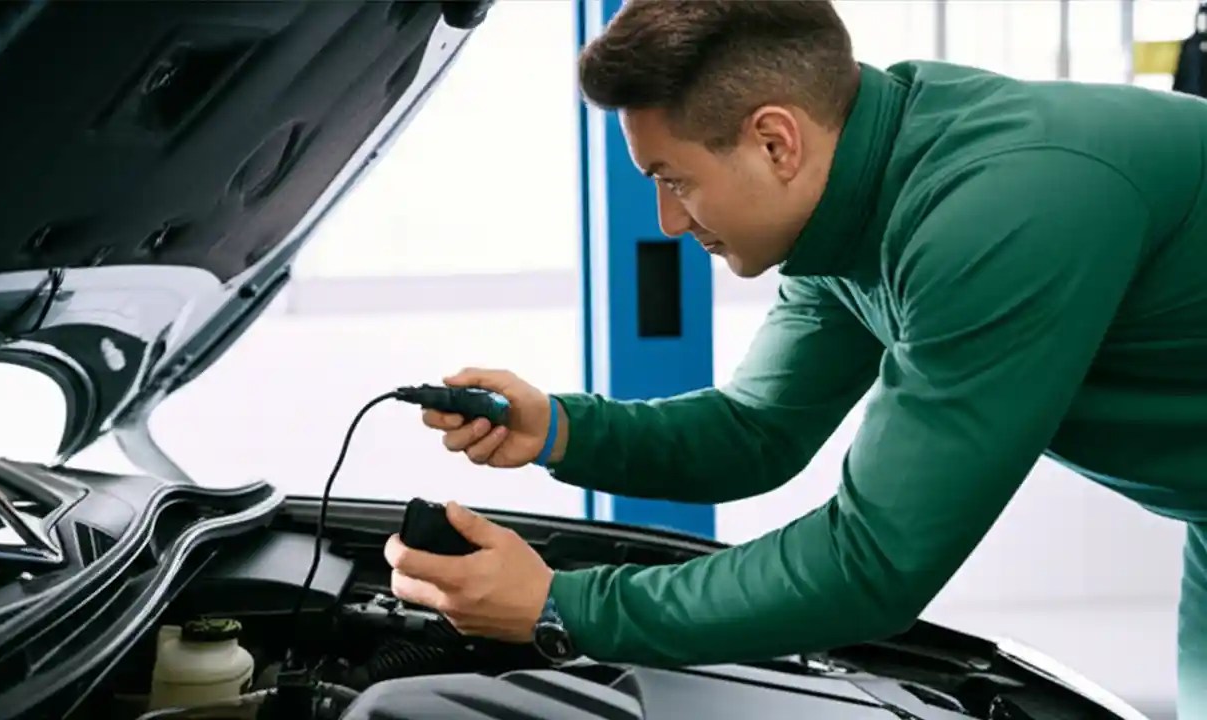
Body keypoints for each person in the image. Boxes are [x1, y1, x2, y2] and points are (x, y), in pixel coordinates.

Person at [381, 0, 1207, 714]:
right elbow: (757, 431)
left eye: (674, 178)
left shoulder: (996, 209)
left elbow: (874, 563)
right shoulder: (857, 198)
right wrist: (562, 429)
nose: (669, 220)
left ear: (775, 142)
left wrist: (564, 606)